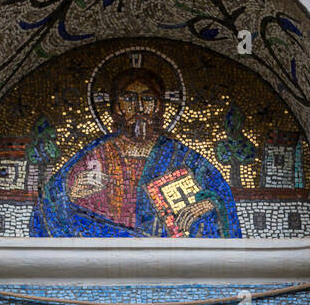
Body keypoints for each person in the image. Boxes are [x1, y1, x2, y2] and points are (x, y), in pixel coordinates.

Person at [29, 68, 241, 237]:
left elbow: (221, 195)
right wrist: (71, 194)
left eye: (148, 99)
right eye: (129, 99)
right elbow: (48, 204)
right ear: (117, 107)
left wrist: (206, 204)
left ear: (159, 106)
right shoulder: (96, 154)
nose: (139, 107)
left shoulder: (182, 156)